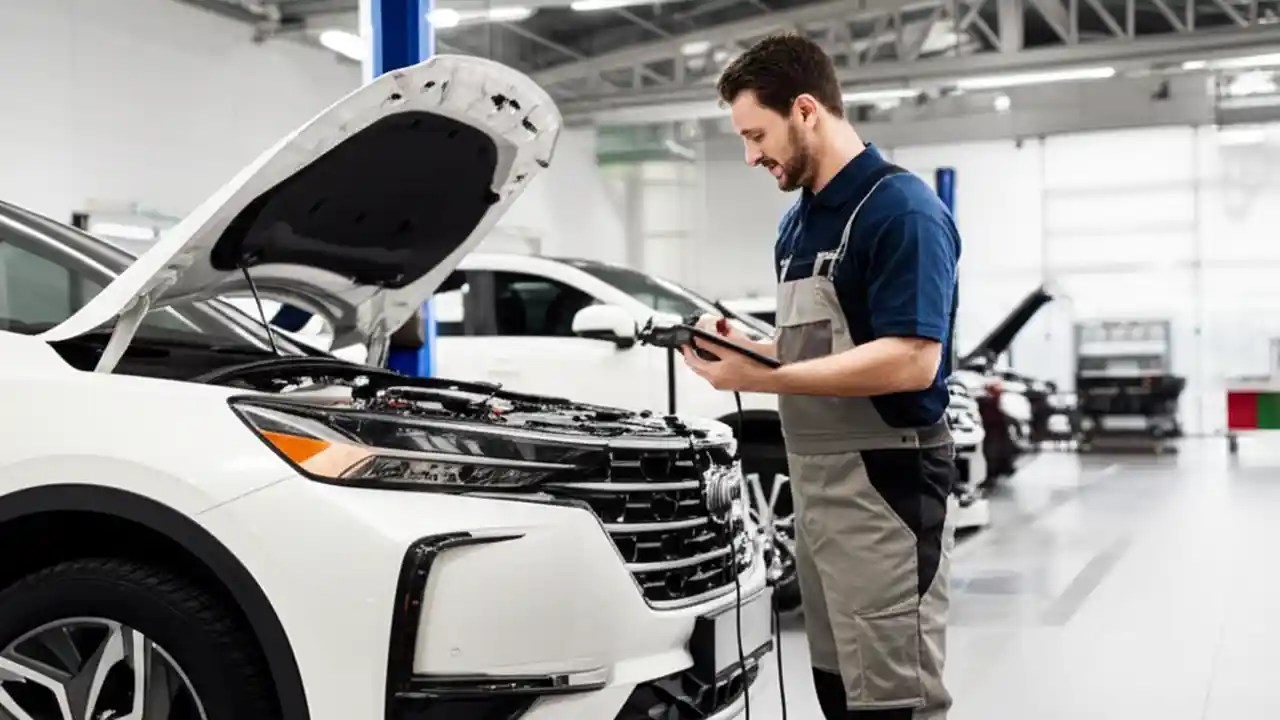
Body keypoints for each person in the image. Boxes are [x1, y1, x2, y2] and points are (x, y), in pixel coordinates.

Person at [682, 33, 961, 720]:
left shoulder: (900, 211)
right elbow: (815, 343)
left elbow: (910, 358)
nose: (751, 156)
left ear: (805, 109)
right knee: (839, 687)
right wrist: (748, 348)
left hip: (885, 485)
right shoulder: (796, 225)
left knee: (894, 697)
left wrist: (767, 378)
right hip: (818, 486)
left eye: (756, 135)